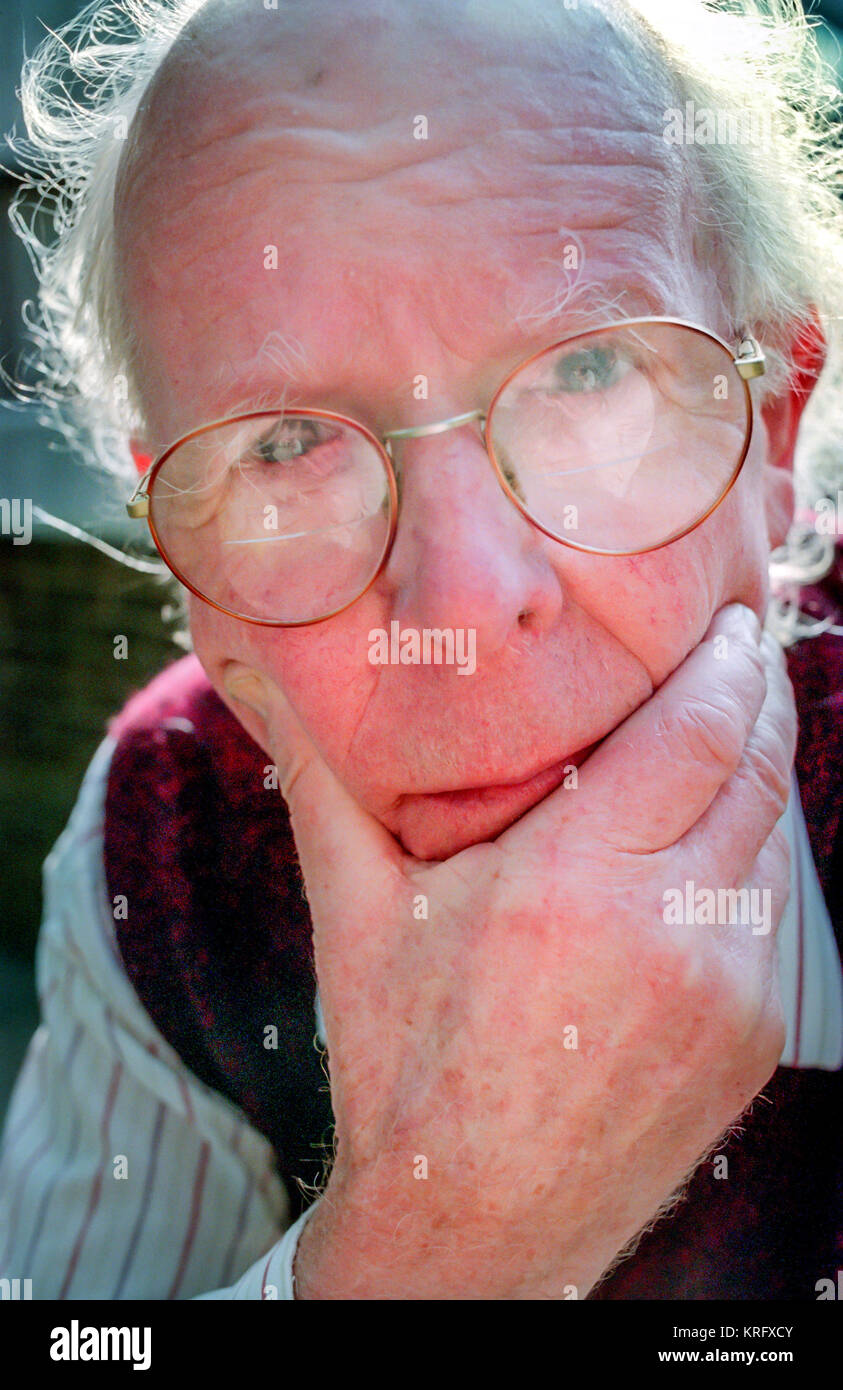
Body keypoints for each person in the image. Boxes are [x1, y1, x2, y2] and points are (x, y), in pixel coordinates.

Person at [1, 0, 842, 1300]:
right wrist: (438, 1250)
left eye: (589, 370)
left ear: (774, 437)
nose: (462, 607)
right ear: (193, 572)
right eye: (285, 445)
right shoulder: (154, 852)